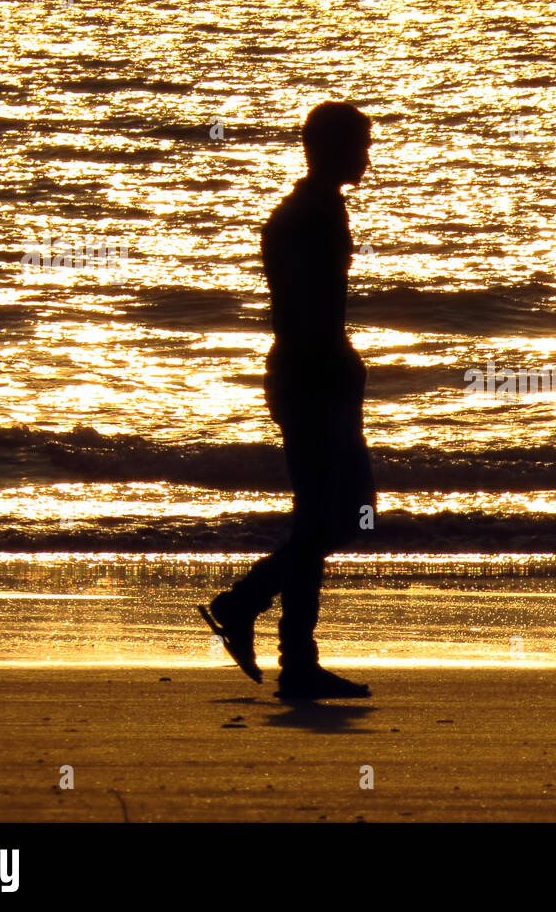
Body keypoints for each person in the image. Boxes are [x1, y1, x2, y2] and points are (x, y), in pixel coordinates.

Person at [199, 101, 375, 701]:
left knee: (330, 516)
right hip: (312, 377)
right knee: (340, 513)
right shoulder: (307, 217)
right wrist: (330, 370)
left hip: (315, 373)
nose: (367, 160)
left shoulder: (316, 210)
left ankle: (289, 648)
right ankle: (257, 617)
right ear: (328, 150)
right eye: (359, 146)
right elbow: (303, 311)